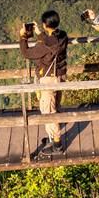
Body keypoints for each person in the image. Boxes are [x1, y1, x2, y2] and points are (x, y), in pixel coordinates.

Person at [19, 10, 69, 159]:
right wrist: (39, 32)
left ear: (45, 24)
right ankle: (53, 138)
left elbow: (27, 53)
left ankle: (57, 145)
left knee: (48, 111)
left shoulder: (46, 44)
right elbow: (49, 40)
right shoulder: (62, 35)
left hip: (48, 79)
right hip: (59, 76)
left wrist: (22, 37)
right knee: (55, 107)